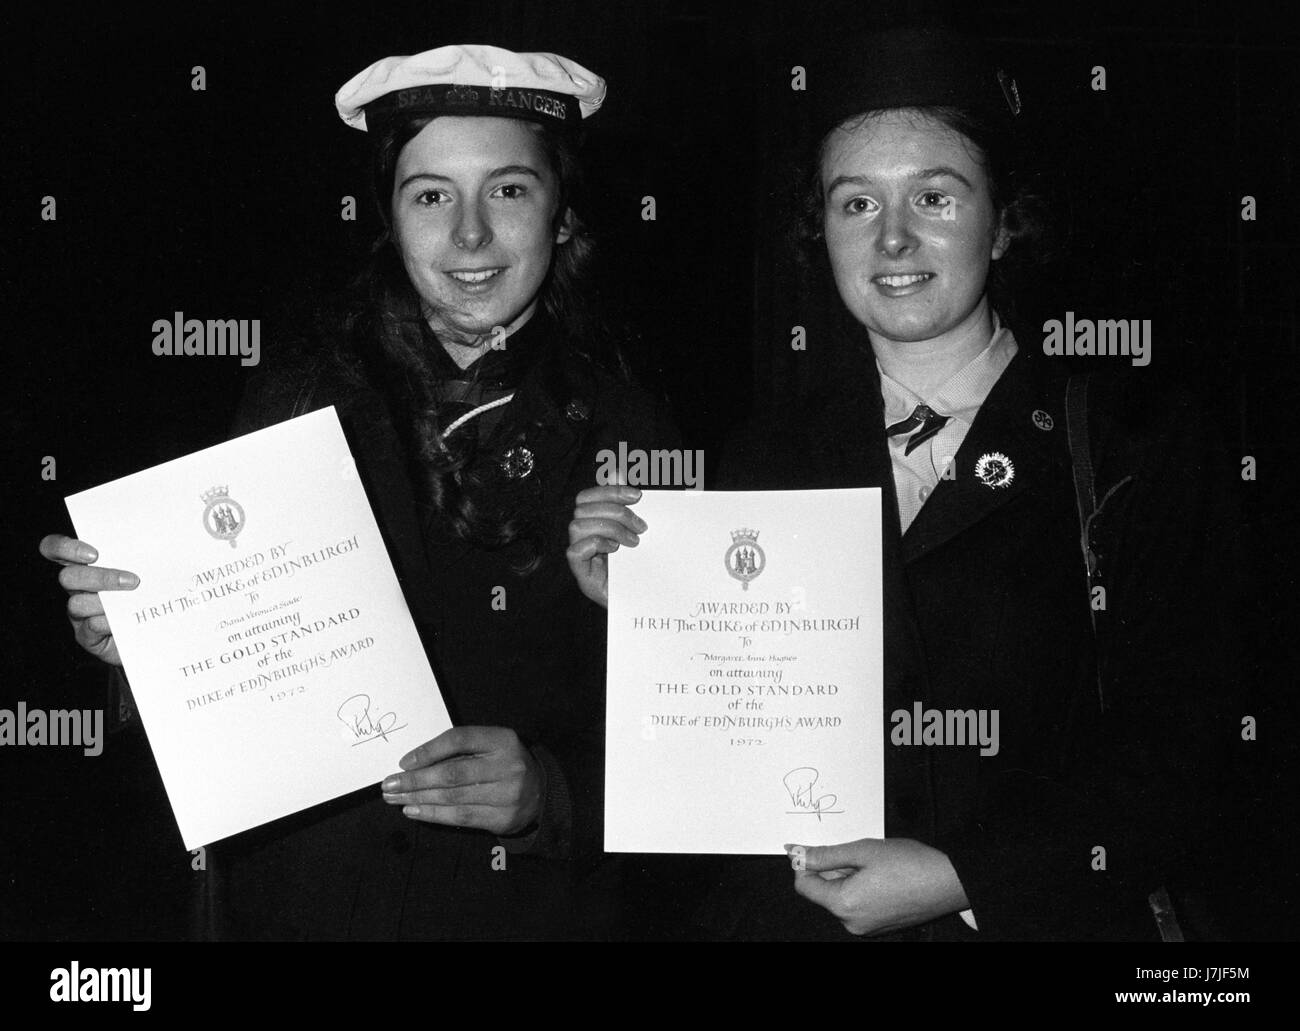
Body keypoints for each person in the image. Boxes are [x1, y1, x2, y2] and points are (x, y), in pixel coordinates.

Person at [568, 26, 1242, 941]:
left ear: (1003, 221)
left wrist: (965, 875)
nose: (893, 237)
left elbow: (1192, 747)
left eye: (935, 196)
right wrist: (652, 611)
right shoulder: (766, 455)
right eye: (855, 204)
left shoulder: (1130, 440)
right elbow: (733, 750)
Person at [41, 43, 678, 940]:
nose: (468, 235)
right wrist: (145, 644)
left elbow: (702, 741)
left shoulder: (639, 433)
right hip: (300, 902)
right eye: (430, 195)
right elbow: (225, 699)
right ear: (388, 214)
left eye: (508, 189)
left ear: (563, 214)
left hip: (510, 915)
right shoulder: (296, 395)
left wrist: (553, 794)